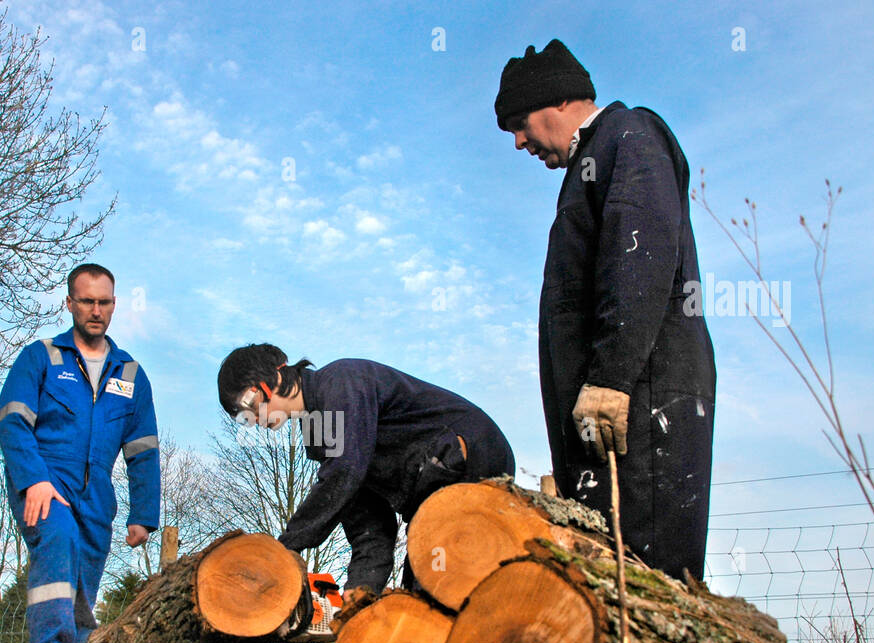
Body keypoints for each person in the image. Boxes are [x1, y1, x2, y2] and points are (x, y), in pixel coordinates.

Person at [494, 39, 716, 581]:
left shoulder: (629, 135)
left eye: (519, 123)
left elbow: (638, 251)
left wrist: (612, 376)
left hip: (641, 398)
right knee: (606, 563)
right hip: (613, 402)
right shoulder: (593, 162)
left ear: (557, 102)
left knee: (646, 567)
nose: (520, 141)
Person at [217, 344, 515, 598]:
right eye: (244, 418)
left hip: (472, 458)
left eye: (249, 404)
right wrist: (358, 595)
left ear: (273, 375)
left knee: (438, 587)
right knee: (416, 596)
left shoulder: (342, 381)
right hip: (429, 498)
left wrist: (283, 549)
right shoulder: (317, 433)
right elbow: (369, 526)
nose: (254, 419)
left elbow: (345, 473)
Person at [0, 263, 160, 643]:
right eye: (86, 301)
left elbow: (143, 451)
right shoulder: (42, 357)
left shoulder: (130, 374)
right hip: (45, 479)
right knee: (59, 540)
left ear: (114, 305)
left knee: (83, 580)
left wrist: (143, 513)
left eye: (104, 302)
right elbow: (11, 422)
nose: (95, 310)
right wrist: (32, 479)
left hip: (97, 493)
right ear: (69, 303)